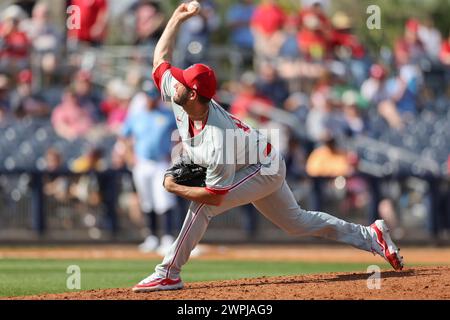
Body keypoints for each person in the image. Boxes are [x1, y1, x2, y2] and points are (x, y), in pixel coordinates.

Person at [132, 4, 404, 293]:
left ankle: (168, 272)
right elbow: (160, 59)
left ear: (194, 93)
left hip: (263, 167)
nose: (176, 83)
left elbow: (213, 197)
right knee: (297, 223)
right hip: (250, 159)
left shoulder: (218, 138)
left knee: (201, 206)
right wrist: (177, 17)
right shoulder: (181, 95)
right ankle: (371, 235)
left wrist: (176, 188)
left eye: (183, 82)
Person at [120, 81, 178, 255]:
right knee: (147, 201)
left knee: (164, 199)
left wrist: (175, 153)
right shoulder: (136, 116)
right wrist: (130, 156)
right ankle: (152, 236)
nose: (150, 100)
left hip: (161, 162)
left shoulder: (167, 115)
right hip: (142, 163)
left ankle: (167, 237)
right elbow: (124, 136)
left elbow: (181, 134)